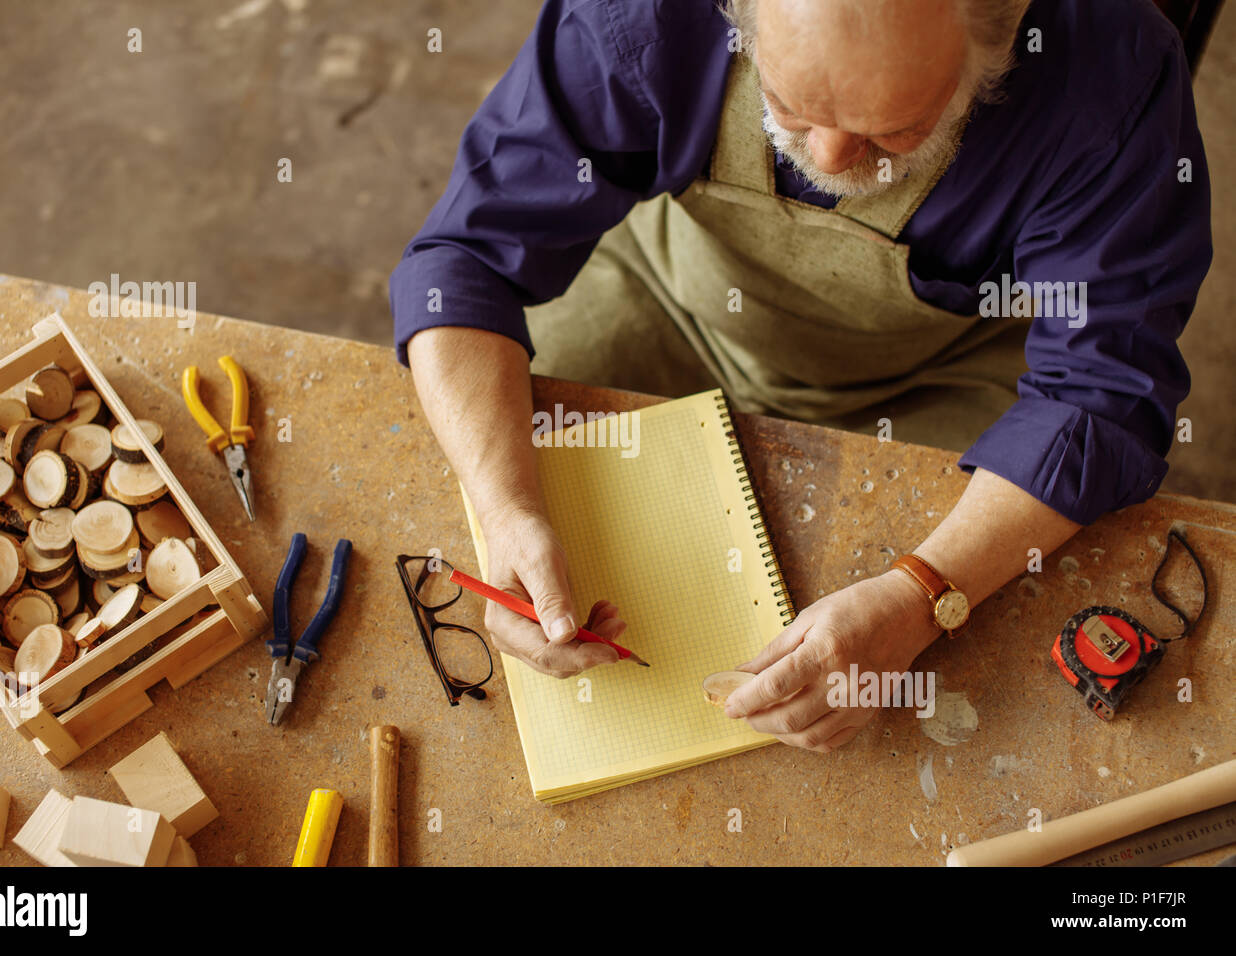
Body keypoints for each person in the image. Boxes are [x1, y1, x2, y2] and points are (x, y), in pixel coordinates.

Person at [390, 0, 1211, 750]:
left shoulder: (1112, 74)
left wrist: (924, 593)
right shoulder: (644, 15)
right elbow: (460, 263)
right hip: (677, 296)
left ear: (994, 46)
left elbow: (1099, 396)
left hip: (939, 370)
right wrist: (505, 511)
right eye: (788, 108)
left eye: (893, 131)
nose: (828, 160)